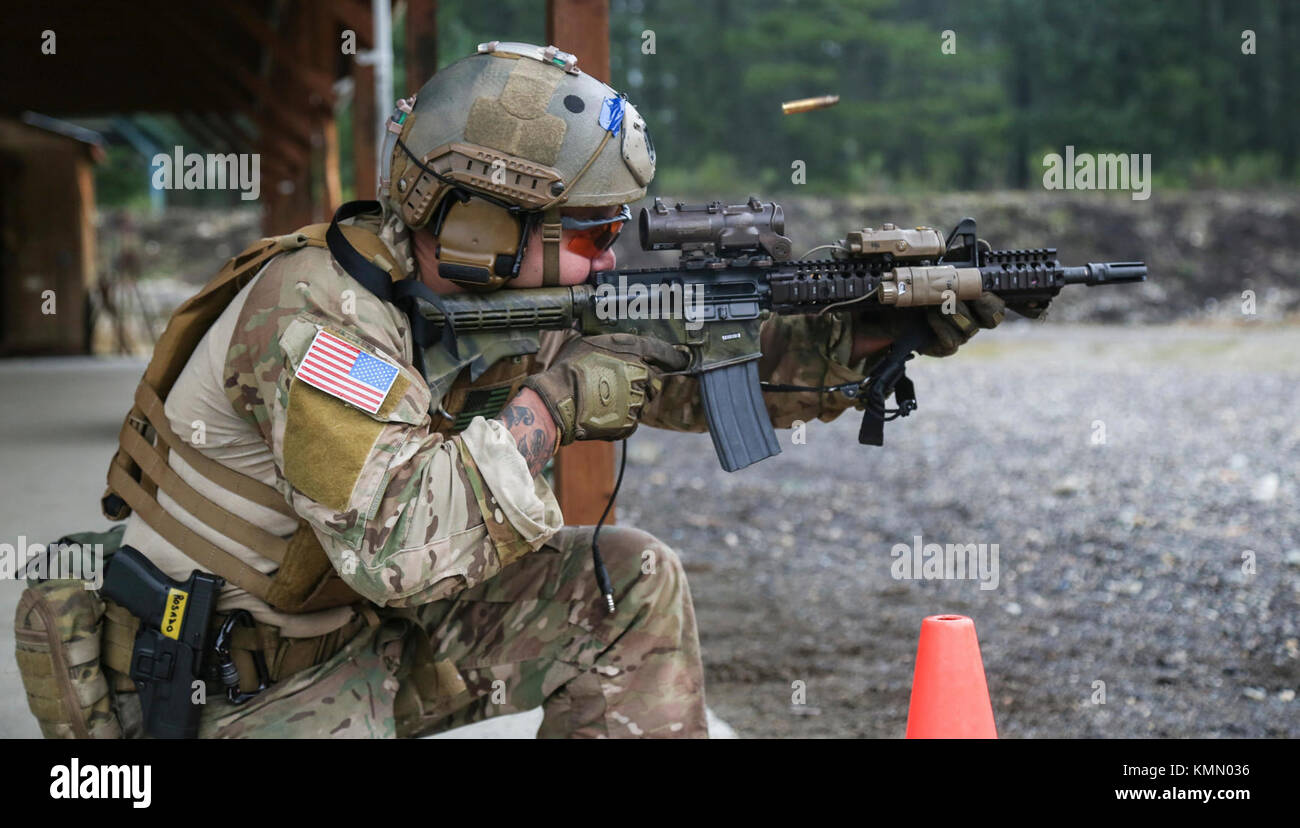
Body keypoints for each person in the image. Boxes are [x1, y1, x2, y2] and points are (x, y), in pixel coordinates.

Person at [96, 41, 1006, 739]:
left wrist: (871, 332)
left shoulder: (492, 294)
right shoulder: (313, 320)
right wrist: (552, 407)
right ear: (481, 222)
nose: (611, 252)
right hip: (236, 683)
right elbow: (405, 545)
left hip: (364, 633)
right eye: (591, 228)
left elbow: (684, 376)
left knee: (629, 581)